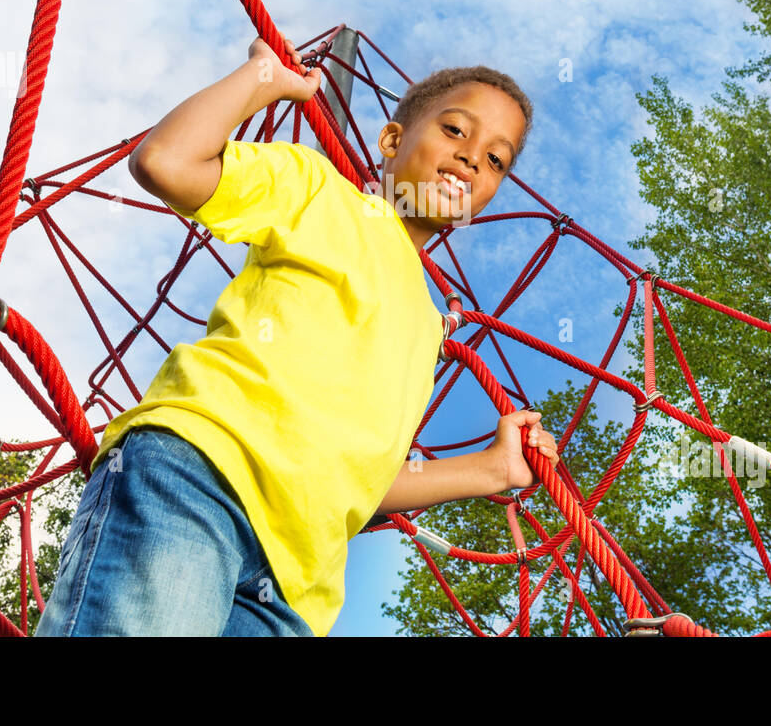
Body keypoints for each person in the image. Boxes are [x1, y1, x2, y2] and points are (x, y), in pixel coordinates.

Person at [35, 33, 559, 636]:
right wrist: (263, 79)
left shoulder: (429, 326)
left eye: (496, 159)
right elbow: (166, 163)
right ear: (392, 140)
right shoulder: (318, 190)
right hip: (201, 477)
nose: (472, 158)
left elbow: (363, 478)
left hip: (296, 585)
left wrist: (491, 469)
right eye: (455, 130)